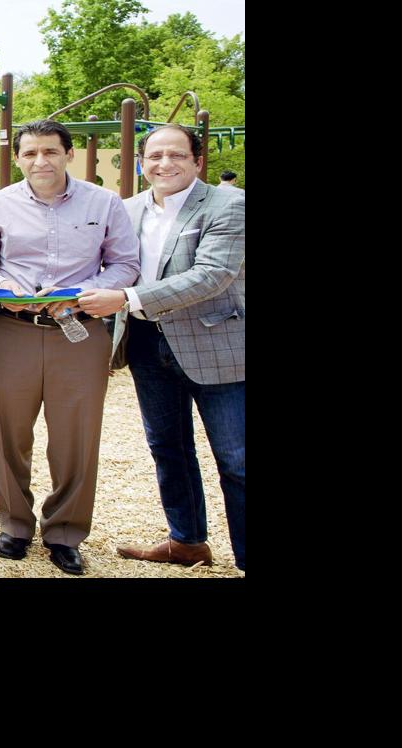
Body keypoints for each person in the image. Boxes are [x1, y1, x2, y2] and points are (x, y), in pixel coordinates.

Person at [0, 119, 140, 575]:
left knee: (76, 438)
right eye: (30, 153)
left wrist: (86, 292)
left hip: (78, 333)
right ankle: (15, 525)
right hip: (11, 331)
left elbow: (124, 264)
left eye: (50, 152)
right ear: (19, 157)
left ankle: (65, 532)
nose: (40, 161)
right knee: (9, 435)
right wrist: (4, 285)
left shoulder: (104, 204)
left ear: (67, 154)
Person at [78, 125, 245, 572]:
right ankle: (187, 542)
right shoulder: (128, 209)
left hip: (216, 345)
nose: (164, 164)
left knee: (236, 458)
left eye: (176, 155)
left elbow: (212, 275)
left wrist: (128, 299)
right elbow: (111, 265)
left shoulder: (231, 204)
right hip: (148, 344)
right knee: (168, 447)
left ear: (197, 162)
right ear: (141, 162)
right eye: (154, 156)